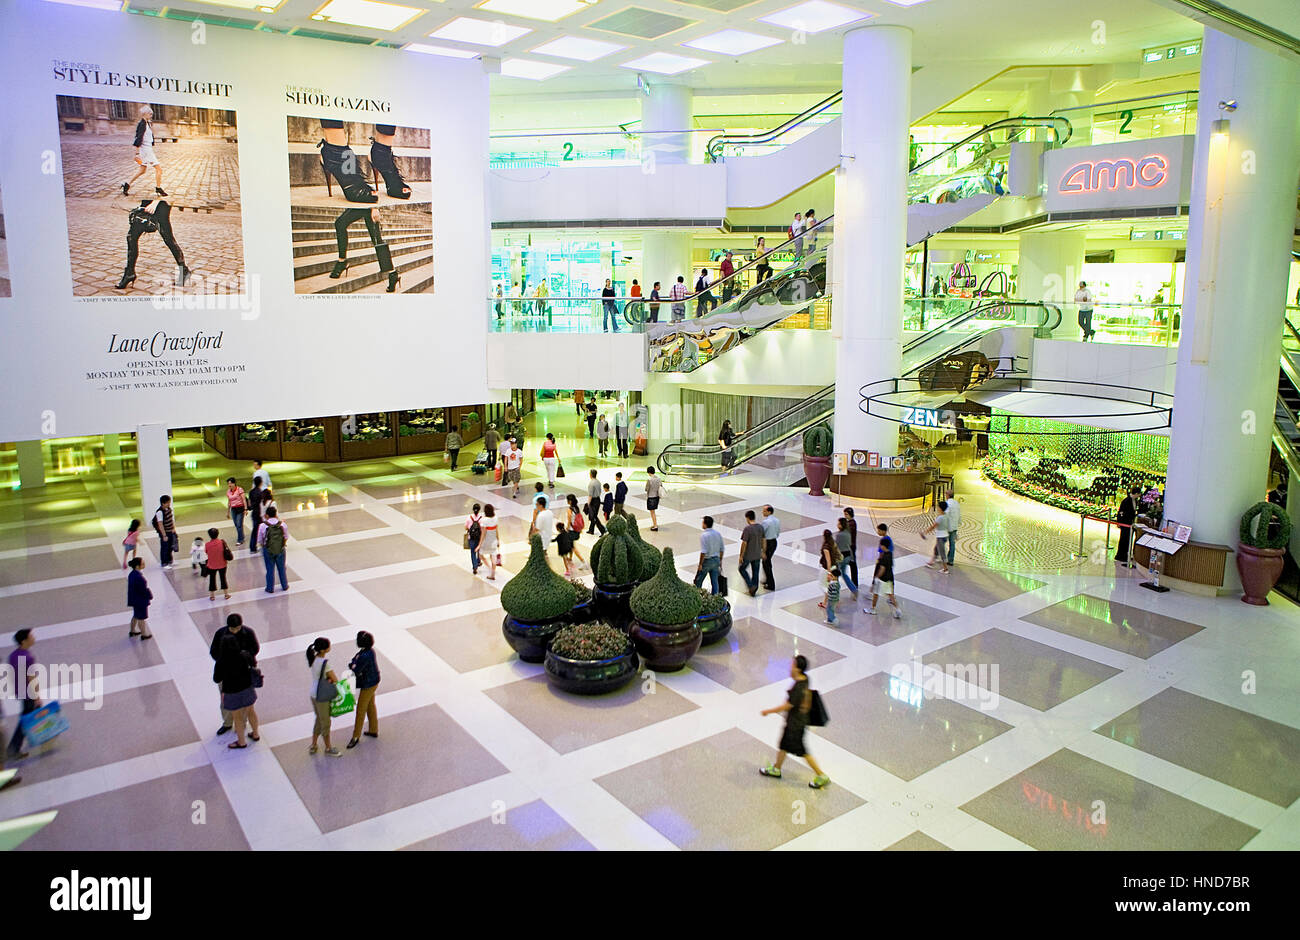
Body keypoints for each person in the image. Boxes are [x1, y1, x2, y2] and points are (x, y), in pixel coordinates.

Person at [760, 655, 830, 789]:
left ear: (797, 668)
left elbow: (787, 706)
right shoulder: (805, 679)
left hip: (795, 725)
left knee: (802, 751)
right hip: (798, 722)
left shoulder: (797, 689)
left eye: (792, 665)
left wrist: (768, 711)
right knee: (783, 746)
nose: (790, 667)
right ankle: (777, 768)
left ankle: (821, 775)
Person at [210, 613, 260, 737]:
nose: (235, 631)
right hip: (227, 676)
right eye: (232, 629)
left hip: (244, 674)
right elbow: (213, 651)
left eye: (237, 628)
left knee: (245, 705)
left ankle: (241, 725)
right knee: (225, 702)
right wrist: (223, 660)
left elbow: (255, 648)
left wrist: (245, 657)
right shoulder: (221, 634)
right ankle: (227, 723)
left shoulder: (248, 632)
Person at [6, 630, 41, 761]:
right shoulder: (28, 657)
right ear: (24, 641)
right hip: (28, 693)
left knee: (26, 717)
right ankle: (13, 749)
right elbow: (31, 678)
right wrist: (37, 696)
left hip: (20, 691)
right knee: (25, 721)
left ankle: (14, 748)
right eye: (31, 636)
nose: (34, 638)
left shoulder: (13, 655)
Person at [306, 638, 342, 757]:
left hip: (314, 693)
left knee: (319, 719)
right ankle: (328, 747)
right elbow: (335, 679)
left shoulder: (313, 659)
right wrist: (331, 680)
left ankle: (314, 744)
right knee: (325, 722)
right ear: (323, 650)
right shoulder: (325, 663)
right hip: (322, 695)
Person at [121, 104, 167, 196]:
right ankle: (158, 188)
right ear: (144, 114)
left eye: (151, 114)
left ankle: (127, 184)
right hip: (145, 150)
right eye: (149, 114)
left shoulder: (147, 123)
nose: (151, 115)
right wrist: (137, 153)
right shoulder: (142, 124)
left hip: (147, 149)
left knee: (142, 170)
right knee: (159, 169)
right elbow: (138, 138)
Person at [347, 631, 381, 749]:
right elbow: (355, 660)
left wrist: (352, 665)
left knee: (360, 710)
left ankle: (355, 736)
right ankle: (373, 729)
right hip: (374, 681)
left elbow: (355, 668)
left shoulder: (364, 655)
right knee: (370, 705)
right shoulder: (369, 651)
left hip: (368, 684)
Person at [865, 524, 902, 619]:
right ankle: (897, 609)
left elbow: (882, 568)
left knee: (876, 593)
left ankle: (873, 608)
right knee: (890, 594)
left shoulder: (884, 556)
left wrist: (877, 577)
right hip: (890, 577)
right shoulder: (889, 554)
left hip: (883, 578)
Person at [259, 508, 290, 593]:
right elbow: (286, 537)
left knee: (270, 569)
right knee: (282, 568)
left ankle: (270, 588)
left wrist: (264, 546)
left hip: (268, 550)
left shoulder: (263, 526)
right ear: (276, 514)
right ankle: (284, 585)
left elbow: (260, 540)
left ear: (267, 515)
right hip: (280, 549)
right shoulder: (282, 524)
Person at [693, 515, 725, 594]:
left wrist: (700, 564)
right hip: (716, 560)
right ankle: (715, 597)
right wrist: (720, 560)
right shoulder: (718, 534)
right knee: (715, 582)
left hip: (707, 561)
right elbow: (722, 549)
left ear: (705, 524)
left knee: (698, 581)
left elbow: (704, 552)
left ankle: (697, 595)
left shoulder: (704, 535)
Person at [739, 510, 766, 597]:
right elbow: (764, 540)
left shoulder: (747, 529)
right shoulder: (760, 527)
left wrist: (741, 556)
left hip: (748, 555)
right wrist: (763, 552)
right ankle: (754, 588)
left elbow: (744, 543)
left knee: (742, 569)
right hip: (757, 554)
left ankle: (750, 586)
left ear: (747, 518)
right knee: (756, 572)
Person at [126, 557, 153, 640]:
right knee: (141, 618)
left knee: (135, 615)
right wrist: (150, 595)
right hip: (140, 600)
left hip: (134, 599)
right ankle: (144, 634)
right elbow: (143, 590)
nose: (144, 565)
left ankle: (132, 630)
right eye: (142, 563)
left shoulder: (132, 574)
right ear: (137, 566)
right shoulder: (139, 578)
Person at [922, 500, 951, 573]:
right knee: (936, 549)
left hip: (940, 537)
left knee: (942, 552)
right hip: (945, 536)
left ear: (940, 508)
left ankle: (945, 569)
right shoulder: (946, 516)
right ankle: (931, 562)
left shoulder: (940, 518)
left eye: (938, 507)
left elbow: (933, 526)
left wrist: (925, 532)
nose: (937, 508)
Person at [204, 527, 232, 601]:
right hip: (222, 564)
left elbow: (205, 552)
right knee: (223, 578)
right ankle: (226, 594)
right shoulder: (221, 542)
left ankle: (212, 596)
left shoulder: (207, 545)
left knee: (212, 579)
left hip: (211, 565)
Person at [1115, 486, 1141, 564]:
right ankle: (1120, 555)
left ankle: (1126, 554)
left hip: (1130, 523)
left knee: (1128, 540)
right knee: (1124, 539)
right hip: (1125, 523)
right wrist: (1119, 522)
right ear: (1136, 493)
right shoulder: (1126, 501)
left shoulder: (1135, 501)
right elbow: (1121, 512)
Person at [152, 494, 177, 569]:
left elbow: (171, 519)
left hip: (170, 530)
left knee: (170, 546)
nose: (169, 504)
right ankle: (164, 562)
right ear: (163, 503)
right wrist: (164, 535)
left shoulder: (168, 509)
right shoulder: (160, 512)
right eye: (168, 503)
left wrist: (173, 528)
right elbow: (160, 524)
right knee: (165, 547)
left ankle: (170, 560)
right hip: (165, 532)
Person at [761, 505, 780, 591]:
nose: (763, 512)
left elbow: (762, 534)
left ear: (769, 512)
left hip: (768, 543)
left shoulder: (766, 522)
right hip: (774, 542)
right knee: (767, 562)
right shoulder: (777, 520)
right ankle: (767, 580)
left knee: (766, 563)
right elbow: (778, 532)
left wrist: (763, 549)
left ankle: (771, 584)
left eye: (764, 511)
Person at [480, 504, 501, 580]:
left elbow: (483, 533)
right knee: (493, 556)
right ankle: (493, 573)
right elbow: (496, 530)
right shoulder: (496, 518)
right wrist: (498, 540)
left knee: (480, 555)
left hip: (486, 541)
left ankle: (489, 568)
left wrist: (479, 544)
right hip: (494, 540)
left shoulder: (484, 520)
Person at [225, 477, 247, 545]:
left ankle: (240, 540)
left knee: (239, 524)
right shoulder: (228, 491)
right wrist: (228, 512)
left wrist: (245, 509)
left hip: (240, 508)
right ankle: (242, 536)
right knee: (236, 525)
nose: (229, 485)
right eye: (228, 483)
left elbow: (244, 500)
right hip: (233, 509)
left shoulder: (239, 489)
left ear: (234, 483)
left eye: (231, 483)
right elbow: (229, 502)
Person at [842, 507, 859, 587]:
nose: (845, 516)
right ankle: (854, 583)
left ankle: (854, 584)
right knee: (853, 565)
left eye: (846, 514)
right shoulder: (852, 523)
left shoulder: (850, 524)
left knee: (852, 565)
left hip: (850, 547)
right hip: (850, 546)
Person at [247, 476, 265, 554]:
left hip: (254, 513)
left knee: (255, 530)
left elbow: (250, 502)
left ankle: (252, 547)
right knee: (262, 530)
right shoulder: (260, 492)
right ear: (261, 483)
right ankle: (263, 545)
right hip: (259, 513)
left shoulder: (251, 492)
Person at [586, 470, 606, 536]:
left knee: (594, 517)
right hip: (598, 500)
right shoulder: (598, 482)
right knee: (593, 516)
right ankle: (591, 530)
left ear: (590, 475)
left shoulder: (591, 484)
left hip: (593, 501)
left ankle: (602, 530)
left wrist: (588, 504)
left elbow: (590, 495)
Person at [466, 503, 483, 575]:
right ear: (479, 510)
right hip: (479, 537)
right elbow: (483, 529)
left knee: (473, 552)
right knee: (479, 549)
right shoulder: (481, 518)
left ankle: (475, 566)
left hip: (471, 538)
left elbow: (466, 527)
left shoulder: (469, 518)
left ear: (473, 510)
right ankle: (478, 561)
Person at [944, 494, 961, 567]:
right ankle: (951, 560)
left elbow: (946, 515)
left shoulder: (947, 503)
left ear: (947, 495)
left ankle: (939, 557)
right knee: (952, 543)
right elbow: (959, 515)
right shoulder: (956, 503)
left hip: (948, 526)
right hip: (954, 526)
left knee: (941, 542)